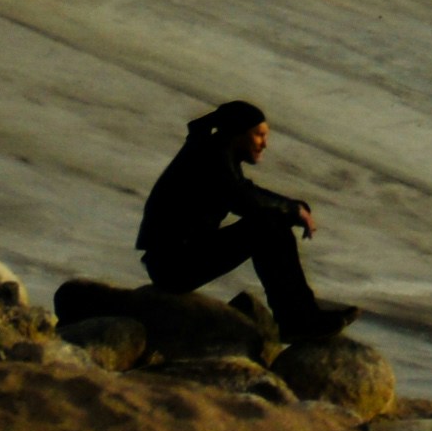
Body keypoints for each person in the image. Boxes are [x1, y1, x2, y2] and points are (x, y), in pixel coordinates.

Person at [138, 98, 342, 336]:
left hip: (176, 259)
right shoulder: (210, 159)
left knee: (270, 224)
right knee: (266, 227)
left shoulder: (214, 152)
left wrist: (292, 208)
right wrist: (294, 211)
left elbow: (246, 191)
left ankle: (300, 317)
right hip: (174, 265)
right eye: (258, 135)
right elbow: (242, 199)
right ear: (237, 134)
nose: (265, 144)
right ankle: (299, 320)